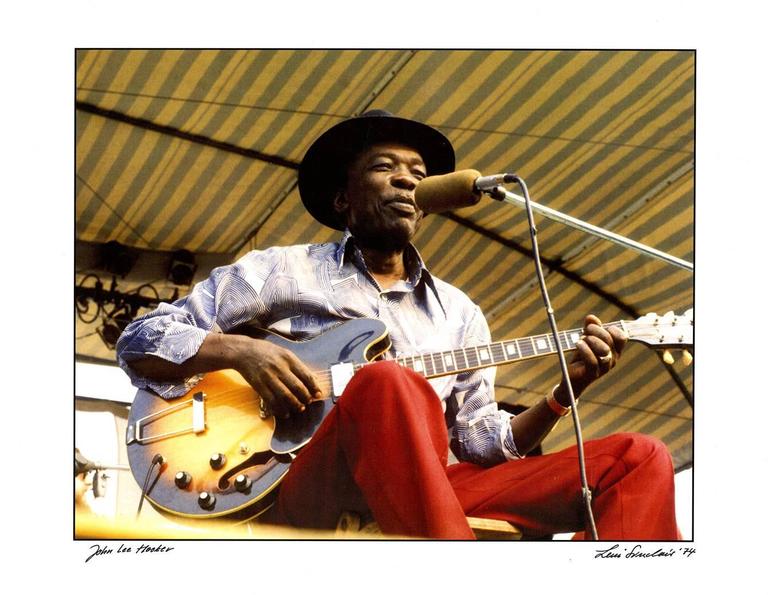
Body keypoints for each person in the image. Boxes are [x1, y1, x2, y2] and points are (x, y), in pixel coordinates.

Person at [116, 110, 679, 540]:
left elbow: (481, 443)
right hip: (295, 478)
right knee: (388, 381)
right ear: (342, 198)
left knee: (639, 457)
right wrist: (242, 353)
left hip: (427, 487)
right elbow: (138, 339)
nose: (408, 181)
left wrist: (565, 393)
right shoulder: (278, 269)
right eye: (385, 168)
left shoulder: (460, 312)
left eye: (419, 174)